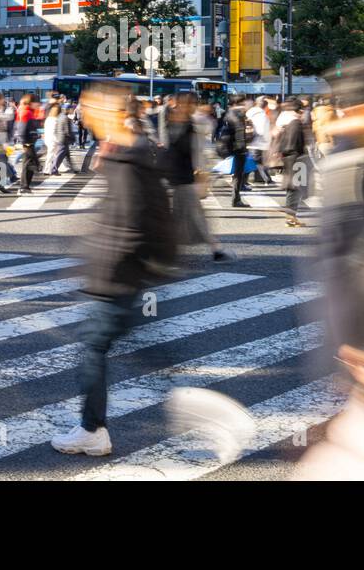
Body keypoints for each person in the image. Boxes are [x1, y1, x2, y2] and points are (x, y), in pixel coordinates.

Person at [51, 82, 176, 457]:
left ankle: (93, 429)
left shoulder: (130, 160)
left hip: (117, 276)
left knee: (94, 348)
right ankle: (180, 401)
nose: (85, 116)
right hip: (125, 274)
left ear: (114, 114)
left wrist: (107, 269)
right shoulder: (132, 153)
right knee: (131, 348)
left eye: (91, 110)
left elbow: (134, 223)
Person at [165, 92, 229, 261]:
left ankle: (215, 248)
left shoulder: (193, 124)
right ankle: (214, 248)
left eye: (190, 104)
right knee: (182, 214)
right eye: (185, 103)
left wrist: (201, 173)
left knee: (193, 214)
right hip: (174, 174)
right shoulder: (173, 121)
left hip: (186, 175)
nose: (184, 106)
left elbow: (198, 151)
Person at [274, 98, 310, 228]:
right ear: (298, 110)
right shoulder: (295, 122)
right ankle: (290, 218)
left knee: (293, 188)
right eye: (302, 109)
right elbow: (293, 143)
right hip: (296, 158)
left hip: (290, 158)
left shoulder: (286, 121)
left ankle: (292, 217)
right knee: (294, 188)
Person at [220, 95, 250, 208]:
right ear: (238, 103)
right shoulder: (238, 115)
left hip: (230, 147)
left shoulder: (228, 113)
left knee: (236, 174)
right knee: (238, 174)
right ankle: (236, 199)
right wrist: (243, 149)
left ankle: (236, 198)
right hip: (238, 149)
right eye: (244, 103)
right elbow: (239, 133)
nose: (245, 105)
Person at [13, 93, 42, 193]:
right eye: (36, 102)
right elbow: (22, 129)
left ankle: (25, 186)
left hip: (28, 141)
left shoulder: (27, 111)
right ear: (31, 102)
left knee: (29, 164)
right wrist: (25, 143)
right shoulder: (26, 112)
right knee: (29, 164)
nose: (38, 104)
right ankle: (24, 186)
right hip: (28, 142)